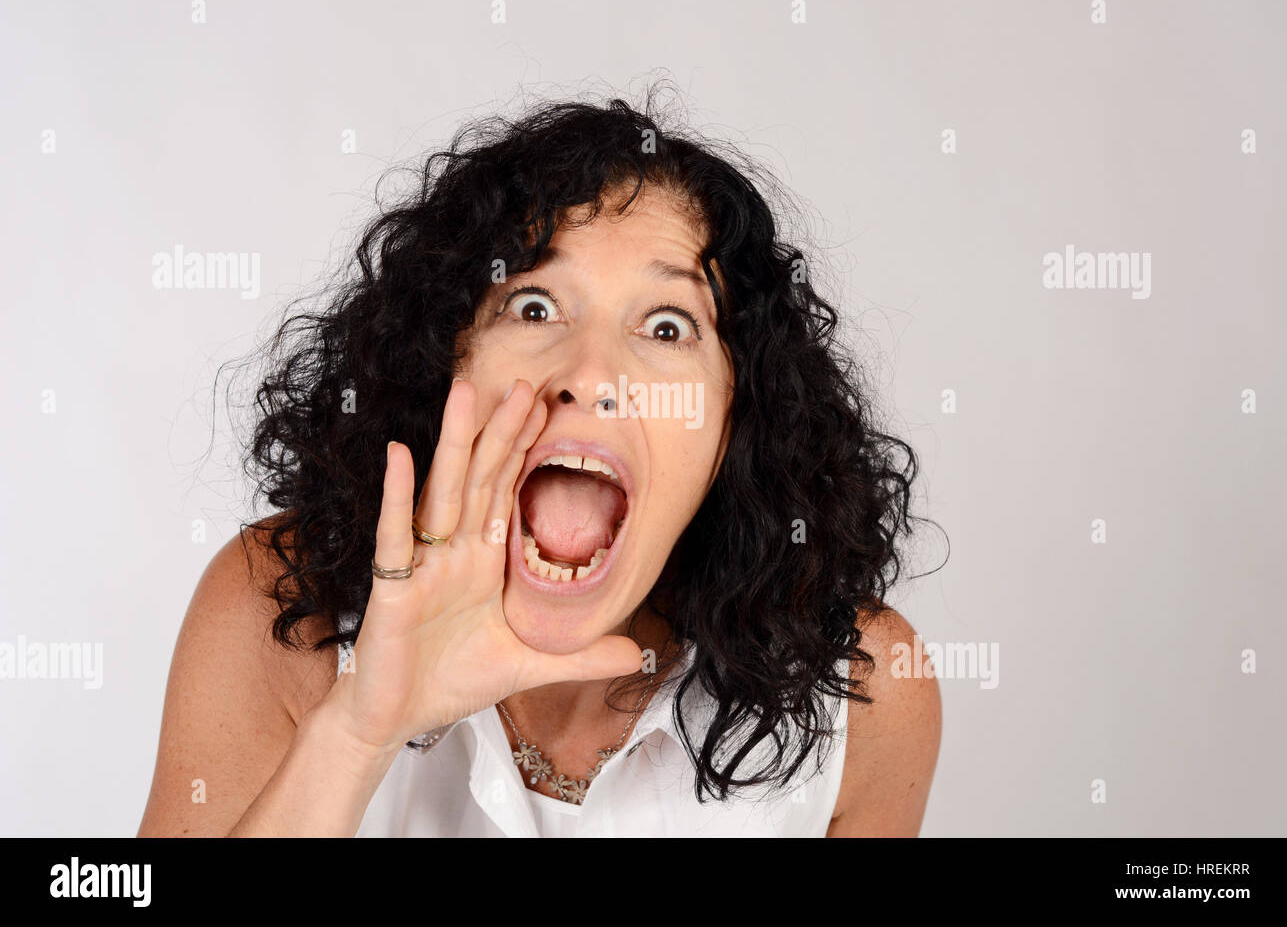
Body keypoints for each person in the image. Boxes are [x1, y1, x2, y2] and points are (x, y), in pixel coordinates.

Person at [138, 89, 941, 837]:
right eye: (533, 307)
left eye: (667, 327)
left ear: (737, 419)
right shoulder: (276, 611)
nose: (589, 377)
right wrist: (356, 733)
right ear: (444, 361)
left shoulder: (867, 698)